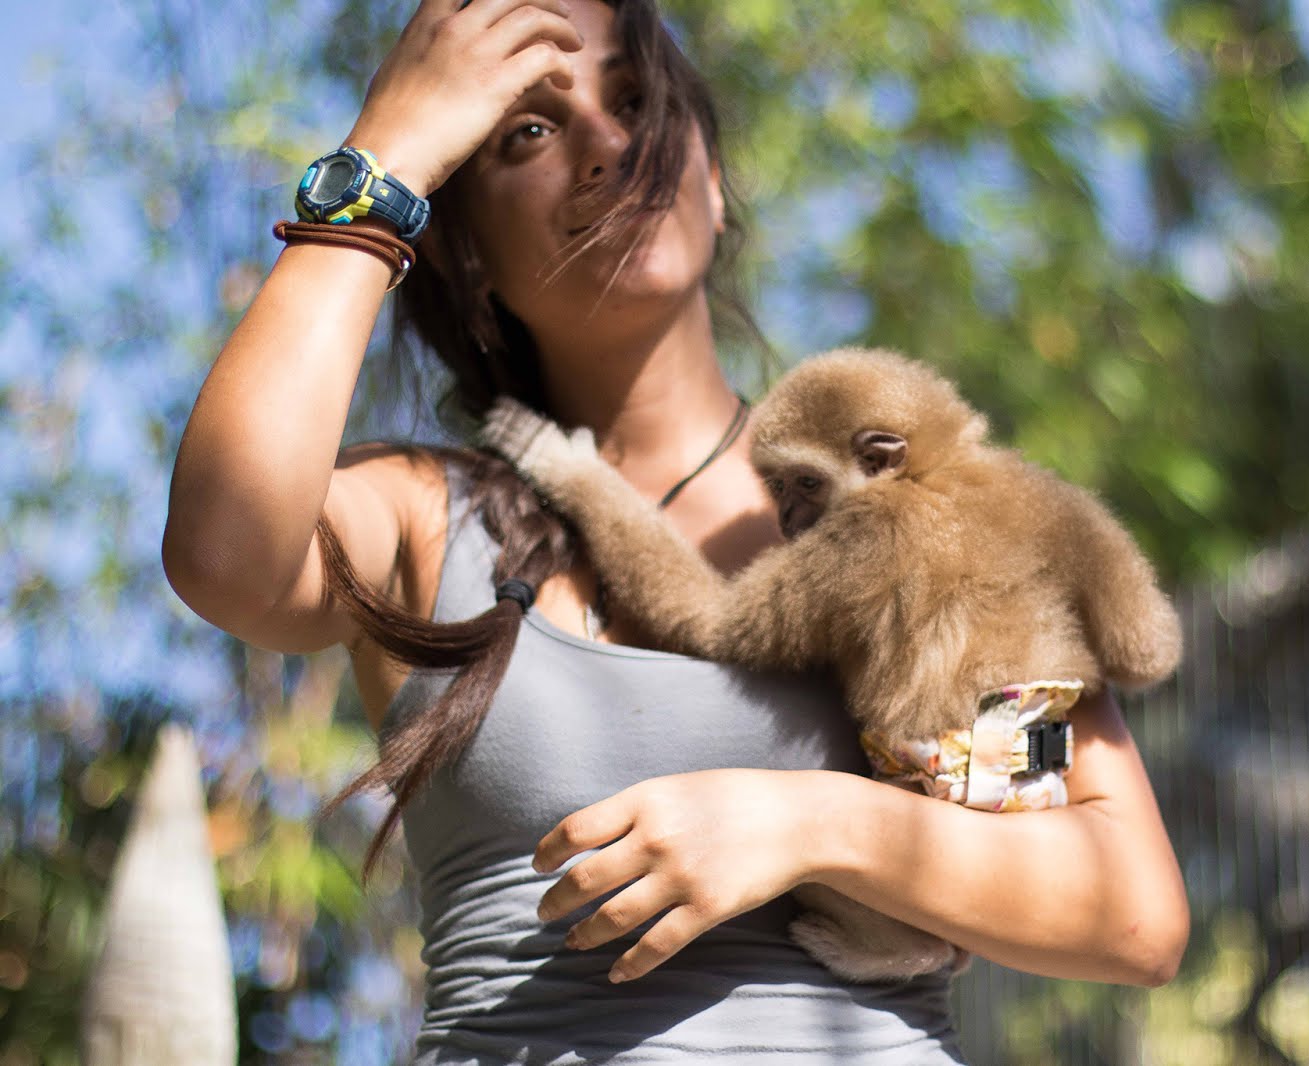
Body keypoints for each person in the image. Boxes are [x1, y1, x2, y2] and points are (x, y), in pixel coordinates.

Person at [162, 0, 1190, 1061]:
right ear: (463, 246)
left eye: (638, 102)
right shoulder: (425, 513)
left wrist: (810, 824)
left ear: (708, 170)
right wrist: (384, 158)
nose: (607, 147)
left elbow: (1128, 909)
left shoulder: (906, 498)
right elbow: (224, 555)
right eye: (527, 130)